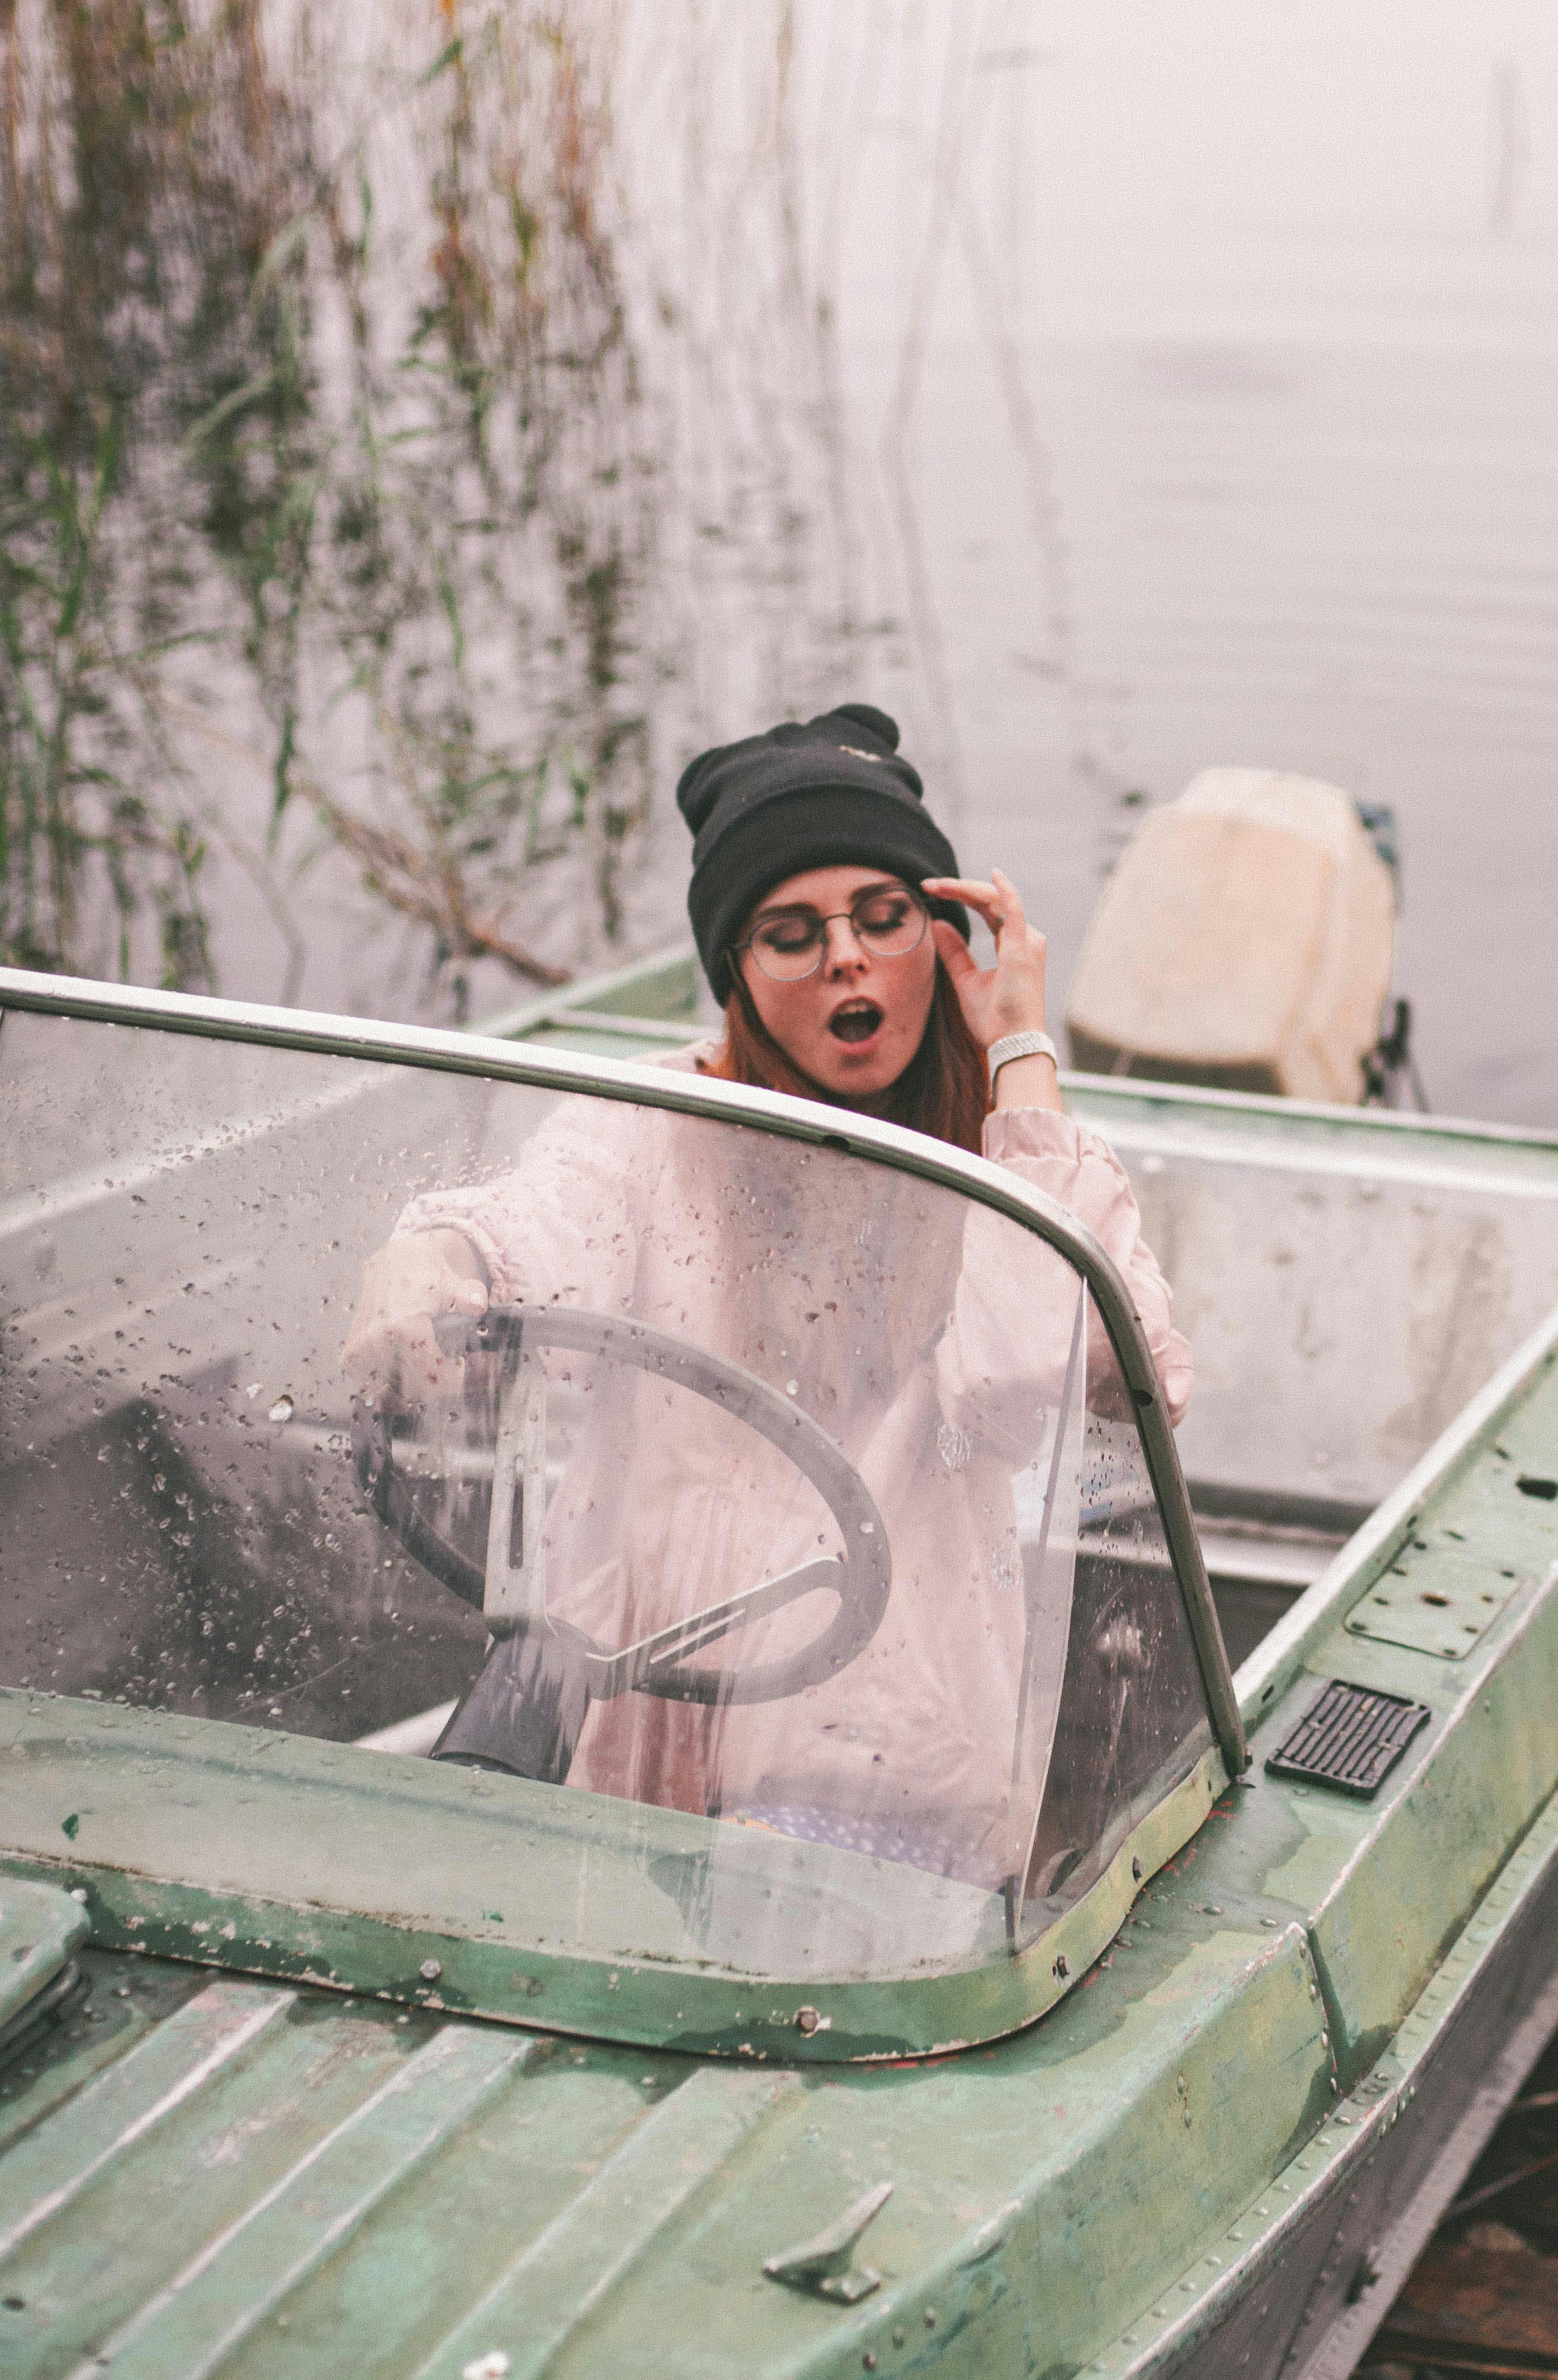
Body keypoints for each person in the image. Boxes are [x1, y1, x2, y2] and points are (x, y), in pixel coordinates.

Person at [343, 706, 1192, 1873]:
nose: (845, 955)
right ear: (737, 976)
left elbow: (1021, 1380)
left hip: (887, 1751)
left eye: (883, 918)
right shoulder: (652, 1122)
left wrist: (1019, 1055)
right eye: (789, 932)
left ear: (942, 944)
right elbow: (535, 1222)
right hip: (639, 1695)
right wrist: (431, 1269)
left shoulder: (1031, 1160)